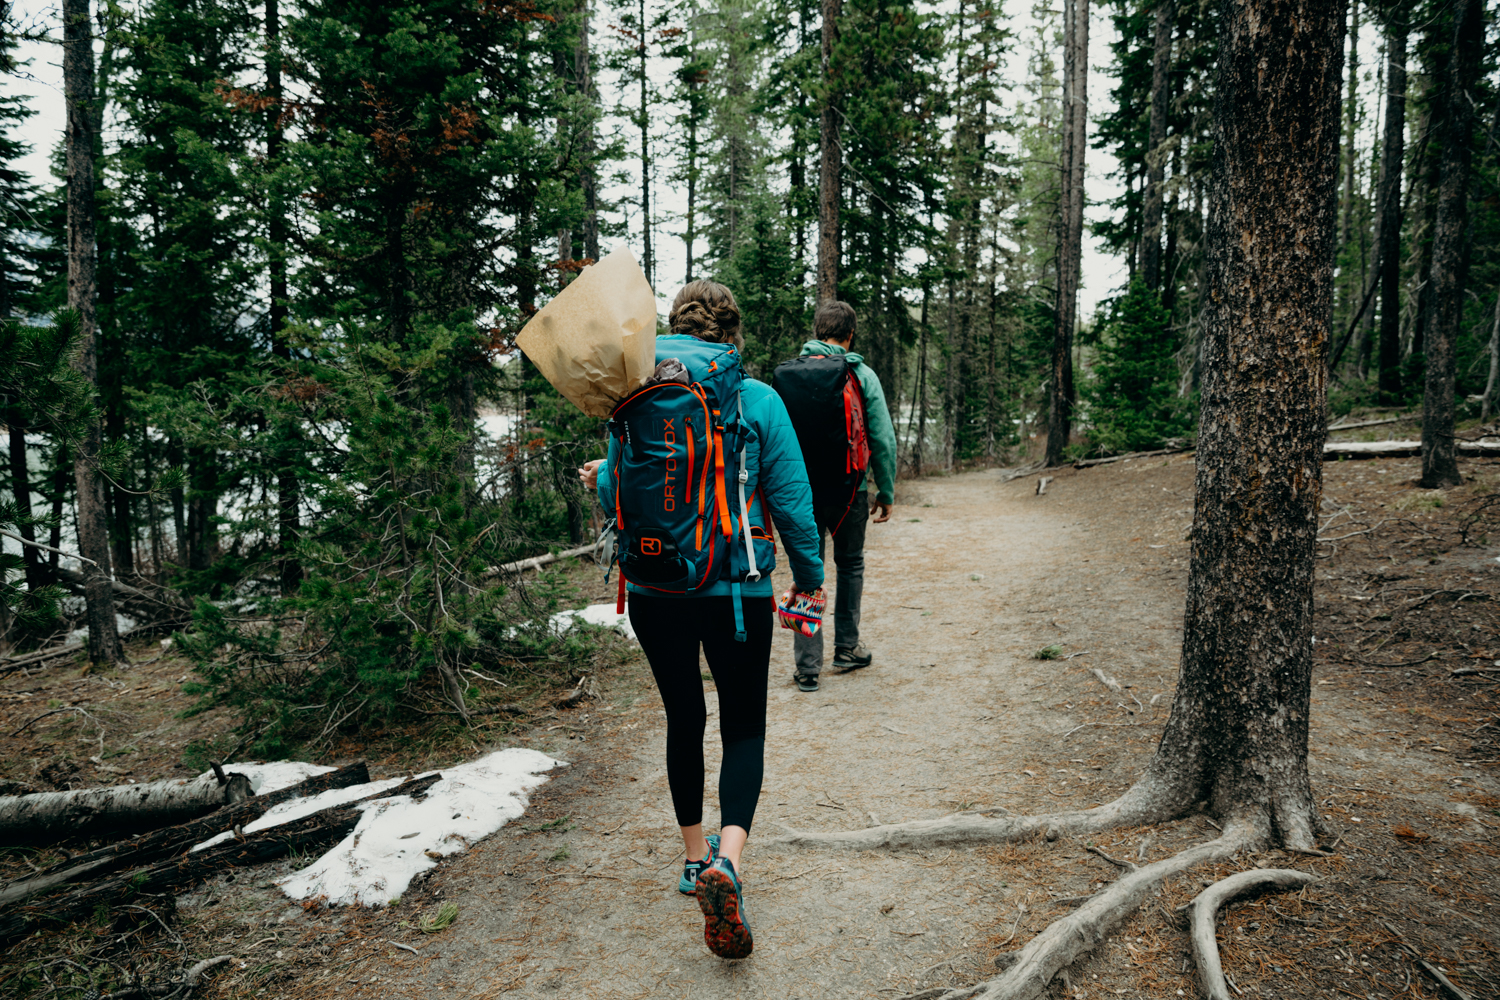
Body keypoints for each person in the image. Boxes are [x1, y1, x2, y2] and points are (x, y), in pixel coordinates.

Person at [579, 280, 822, 960]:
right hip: (739, 591)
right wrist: (810, 580)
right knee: (744, 726)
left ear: (673, 328)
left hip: (656, 590)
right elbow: (793, 503)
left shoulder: (637, 397)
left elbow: (615, 490)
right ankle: (731, 861)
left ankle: (693, 860)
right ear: (733, 334)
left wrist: (601, 472)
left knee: (684, 718)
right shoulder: (756, 400)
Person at [788, 300, 896, 692]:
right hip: (850, 489)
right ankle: (847, 648)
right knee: (850, 565)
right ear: (850, 335)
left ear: (817, 332)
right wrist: (886, 490)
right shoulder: (861, 373)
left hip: (801, 493)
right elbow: (882, 438)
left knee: (807, 572)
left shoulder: (789, 374)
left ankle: (807, 666)